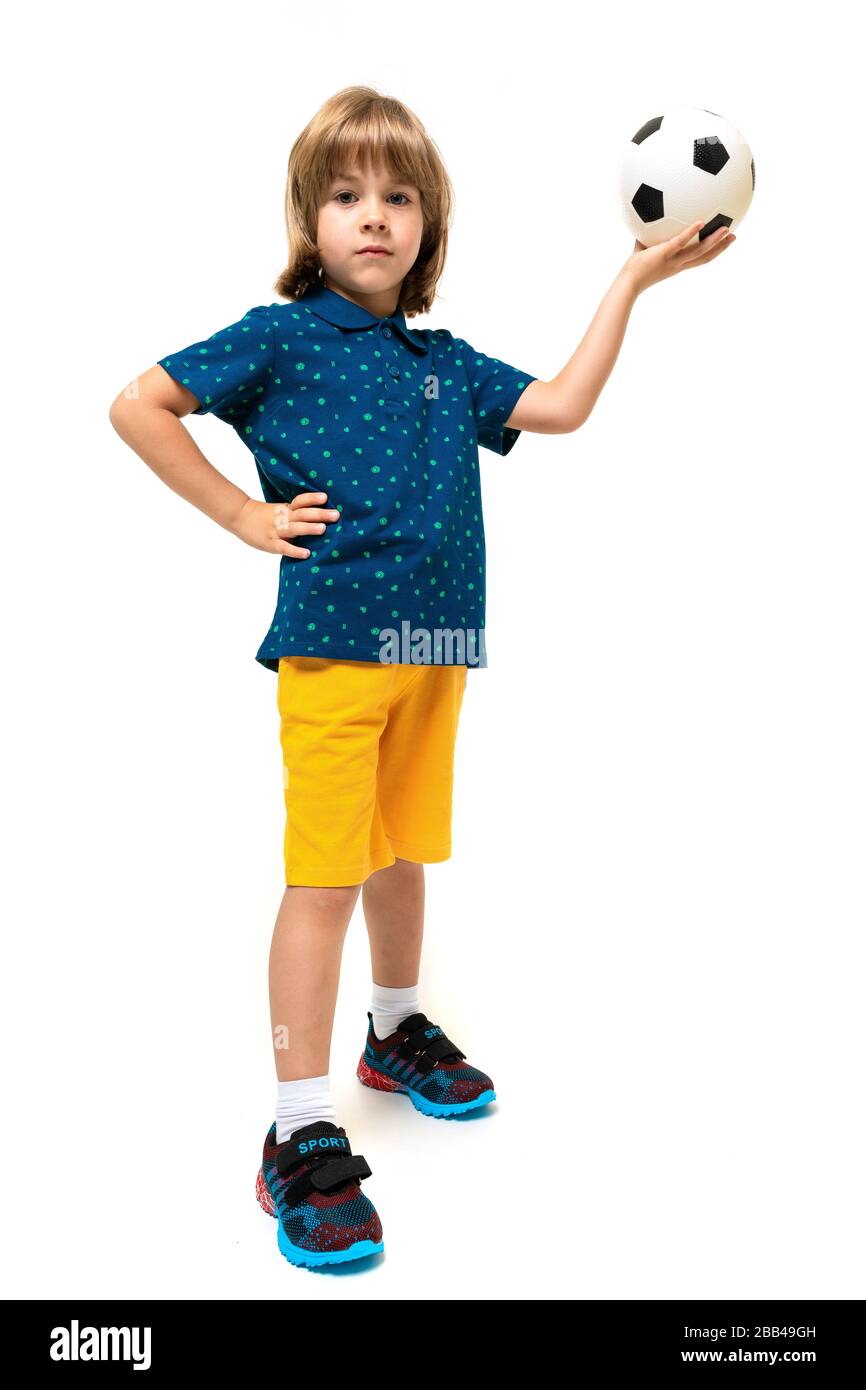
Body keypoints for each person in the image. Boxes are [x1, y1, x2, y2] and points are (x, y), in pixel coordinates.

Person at [108, 85, 735, 1271]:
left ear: (427, 227)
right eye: (346, 196)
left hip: (434, 654)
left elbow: (556, 406)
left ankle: (393, 1030)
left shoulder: (442, 362)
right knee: (324, 878)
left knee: (402, 851)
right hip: (335, 653)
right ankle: (295, 1130)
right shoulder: (279, 336)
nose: (373, 217)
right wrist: (242, 512)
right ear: (310, 220)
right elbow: (138, 405)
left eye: (397, 197)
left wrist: (632, 283)